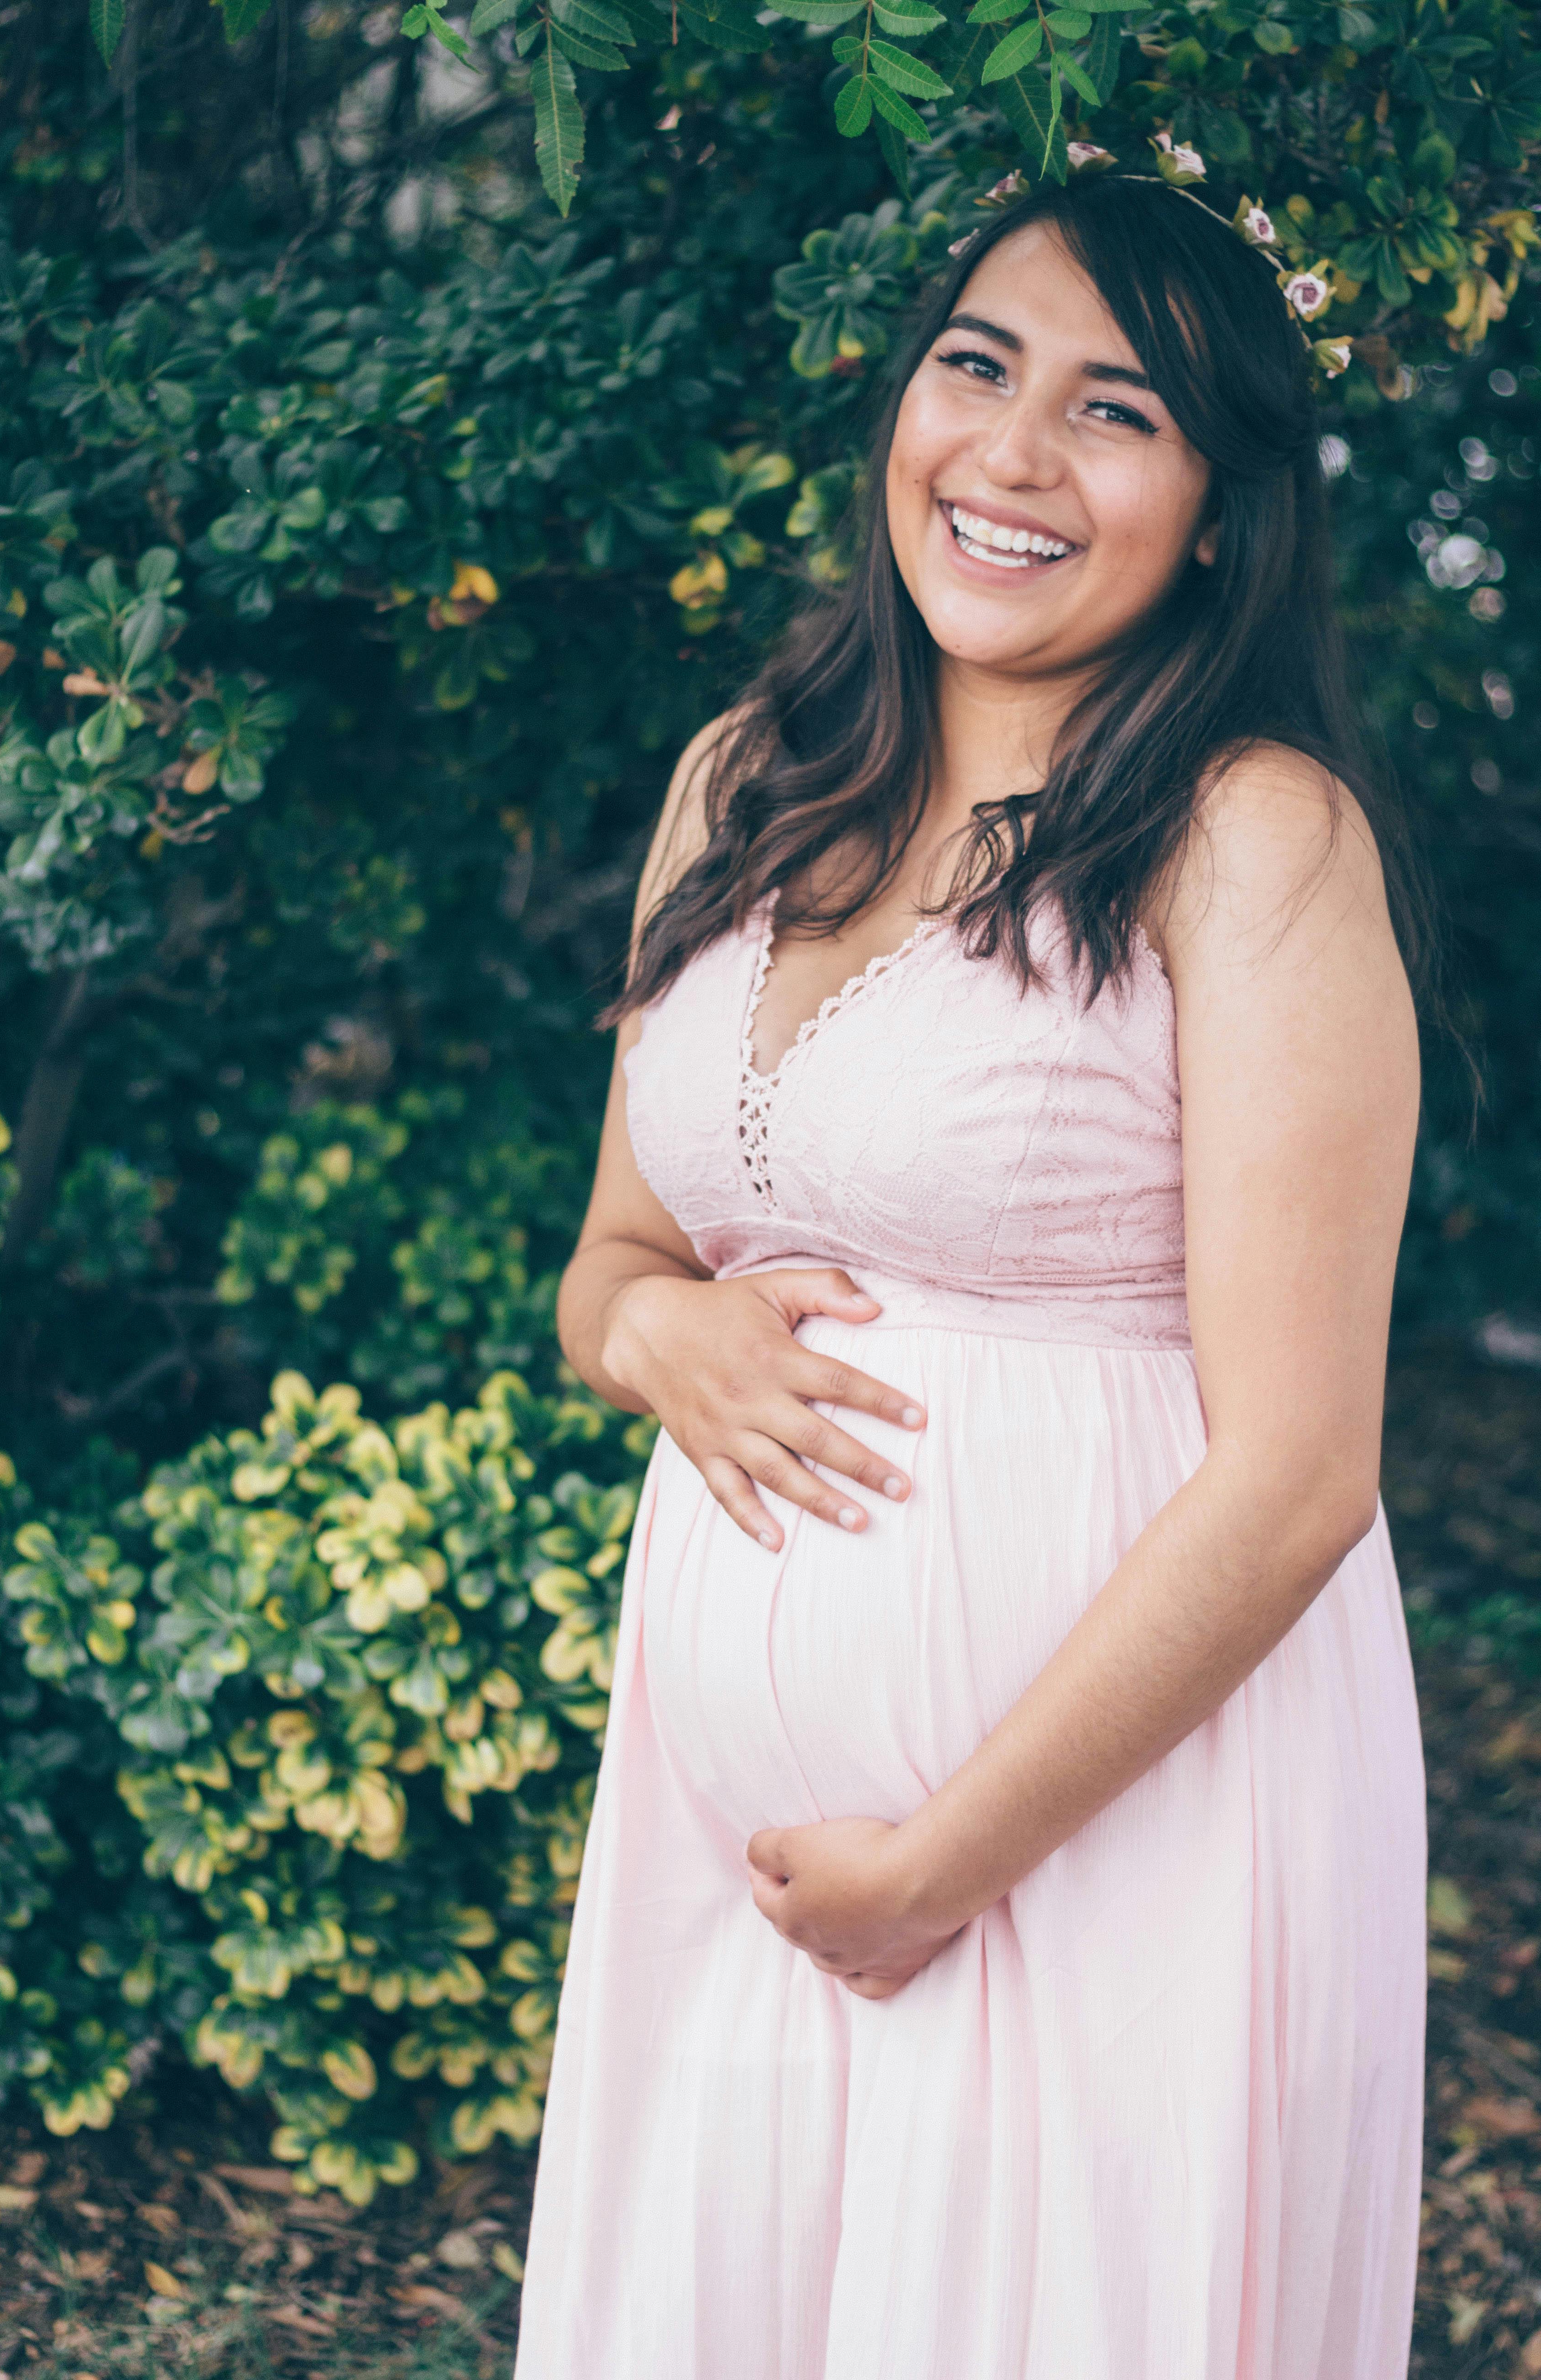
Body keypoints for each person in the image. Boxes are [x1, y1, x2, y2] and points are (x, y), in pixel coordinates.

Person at [514, 169, 1429, 2380]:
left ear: (1219, 512)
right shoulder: (747, 780)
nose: (1012, 456)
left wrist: (943, 1862)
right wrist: (666, 1334)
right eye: (977, 367)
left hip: (1101, 1846)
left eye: (1117, 412)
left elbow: (1303, 1470)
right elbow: (608, 1265)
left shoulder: (1249, 838)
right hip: (736, 1870)